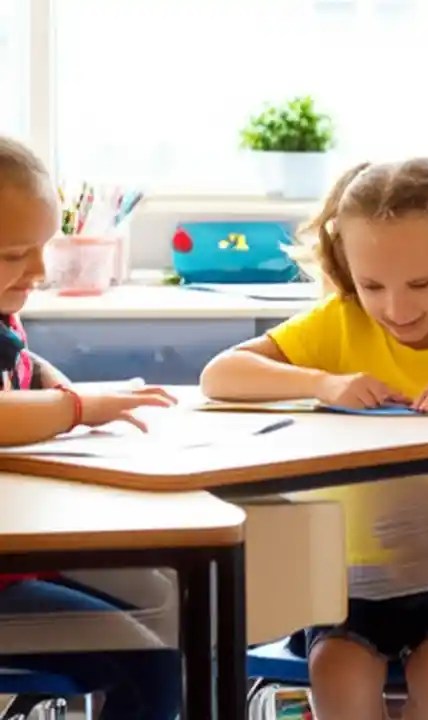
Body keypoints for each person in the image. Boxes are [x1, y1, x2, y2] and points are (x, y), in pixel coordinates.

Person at [200, 158, 428, 720]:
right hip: (349, 579)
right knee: (335, 669)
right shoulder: (339, 323)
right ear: (345, 264)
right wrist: (322, 381)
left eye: (420, 285)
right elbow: (220, 375)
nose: (397, 309)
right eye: (372, 285)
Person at [0, 135, 181, 720]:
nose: (37, 269)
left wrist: (58, 387)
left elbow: (24, 370)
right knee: (147, 662)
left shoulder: (4, 310)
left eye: (43, 247)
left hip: (26, 552)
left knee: (182, 604)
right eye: (12, 254)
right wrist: (77, 407)